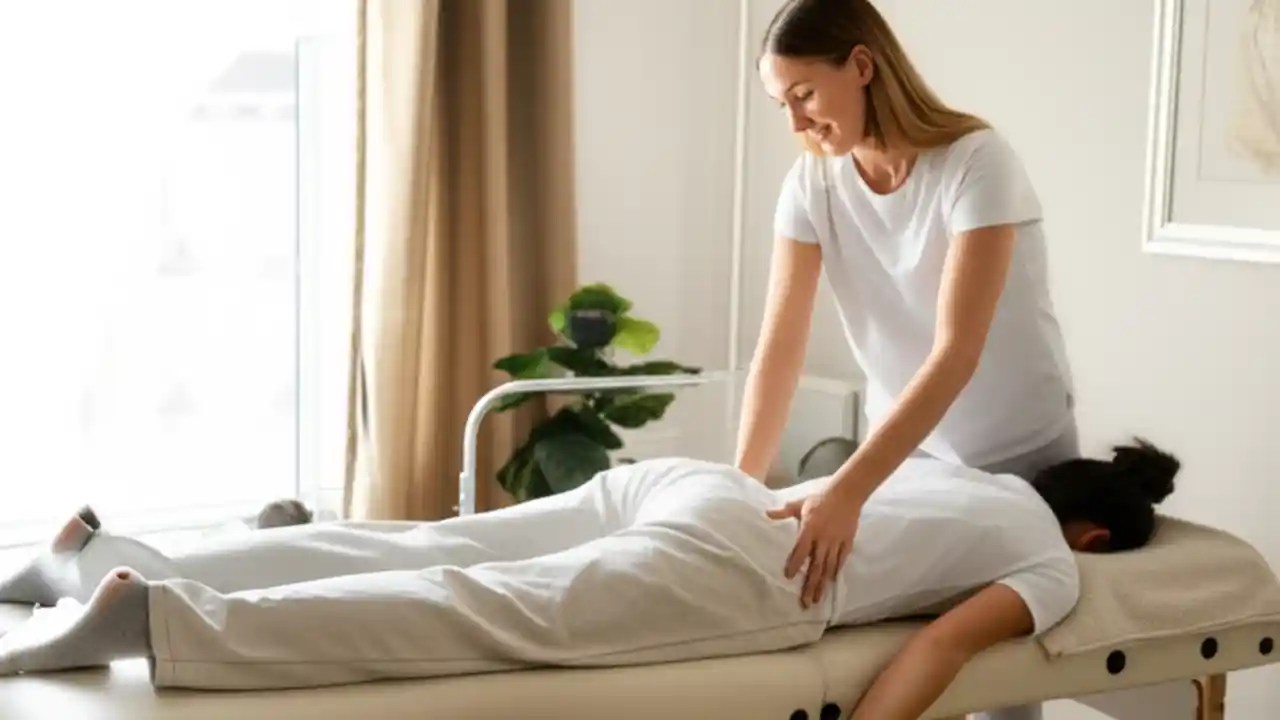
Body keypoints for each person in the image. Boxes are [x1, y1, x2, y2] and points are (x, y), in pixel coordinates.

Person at [0, 439, 1177, 719]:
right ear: (1091, 537)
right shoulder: (1044, 562)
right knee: (471, 610)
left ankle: (99, 560)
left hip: (691, 485)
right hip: (747, 570)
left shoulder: (949, 460)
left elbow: (823, 469)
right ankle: (154, 619)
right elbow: (938, 651)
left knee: (421, 545)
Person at [737, 4, 1076, 717]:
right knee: (897, 638)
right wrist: (739, 491)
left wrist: (849, 490)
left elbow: (957, 352)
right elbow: (780, 348)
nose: (796, 124)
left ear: (862, 66)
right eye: (781, 104)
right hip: (911, 458)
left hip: (1019, 455)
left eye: (804, 95)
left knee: (1002, 689)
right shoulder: (811, 186)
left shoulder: (976, 162)